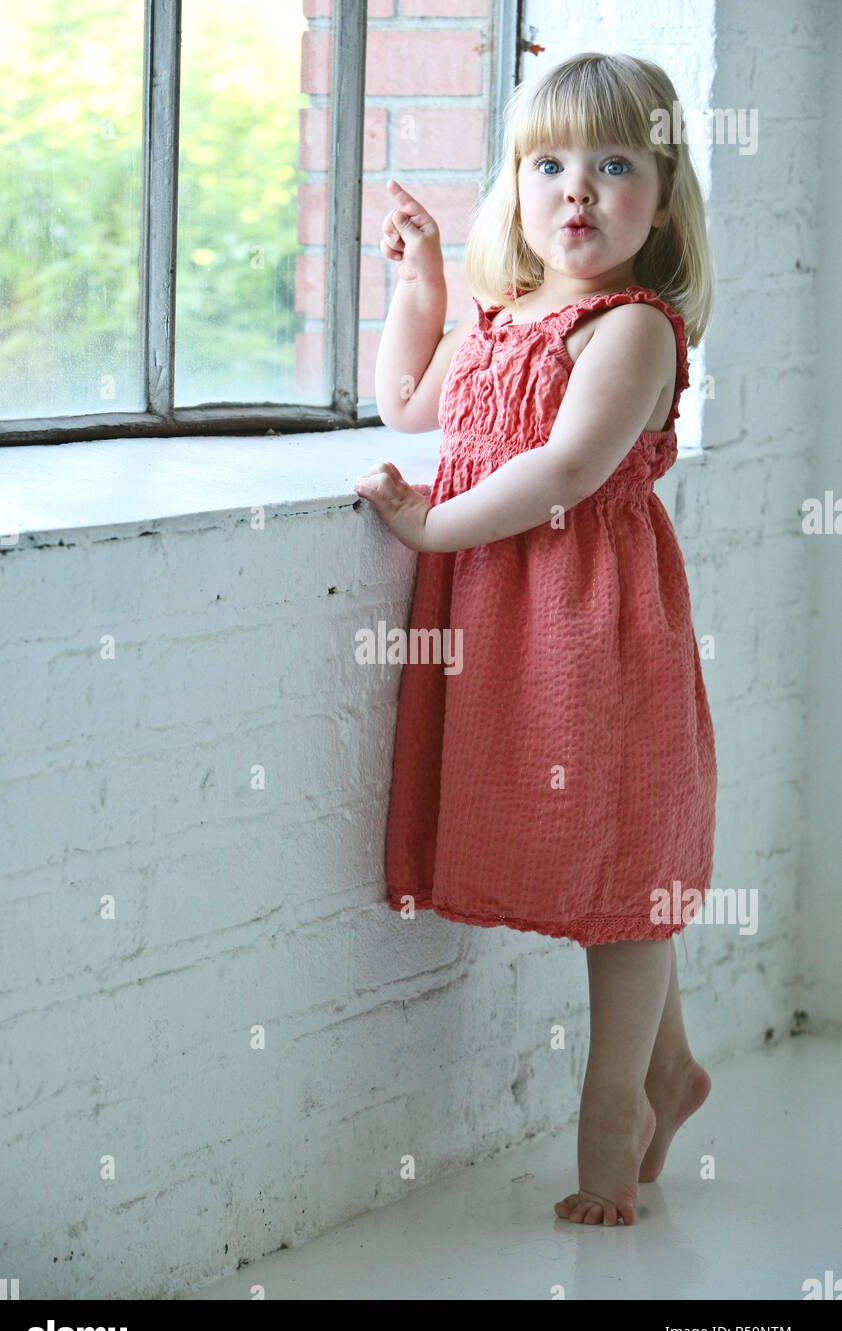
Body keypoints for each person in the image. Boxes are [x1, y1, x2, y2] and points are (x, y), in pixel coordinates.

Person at [354, 52, 717, 1227]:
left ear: (658, 200)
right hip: (503, 623)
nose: (576, 189)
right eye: (546, 163)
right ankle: (669, 1067)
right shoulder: (505, 317)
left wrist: (428, 526)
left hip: (591, 630)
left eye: (614, 167)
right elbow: (410, 404)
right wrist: (417, 282)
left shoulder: (632, 328)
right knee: (596, 862)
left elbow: (562, 472)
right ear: (512, 187)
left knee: (618, 858)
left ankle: (614, 1111)